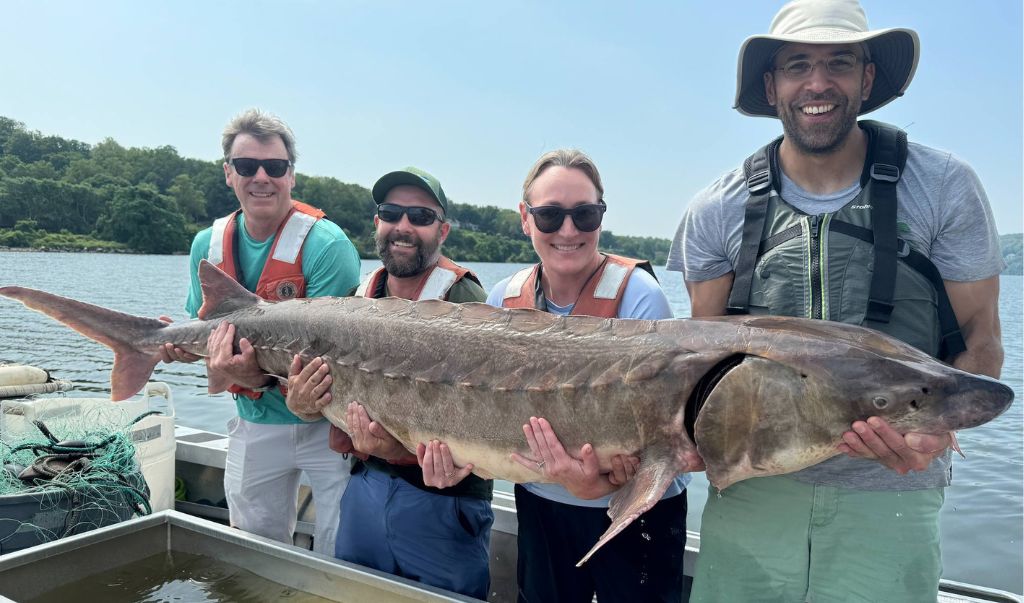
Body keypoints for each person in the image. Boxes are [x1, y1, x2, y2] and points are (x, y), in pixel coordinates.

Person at [667, 1, 1004, 601]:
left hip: (893, 493)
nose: (817, 84)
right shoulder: (715, 208)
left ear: (867, 78)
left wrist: (937, 431)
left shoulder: (944, 186)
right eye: (798, 65)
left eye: (839, 63)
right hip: (752, 492)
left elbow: (982, 338)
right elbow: (701, 364)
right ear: (771, 86)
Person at [486, 149, 692, 603]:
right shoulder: (503, 297)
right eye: (549, 215)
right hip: (543, 506)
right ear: (525, 218)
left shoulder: (641, 299)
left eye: (584, 214)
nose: (568, 230)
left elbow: (663, 442)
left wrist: (601, 483)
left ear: (601, 216)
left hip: (640, 515)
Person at [285, 166, 494, 600]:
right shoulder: (358, 297)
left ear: (443, 230)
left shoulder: (465, 300)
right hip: (364, 486)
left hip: (442, 502)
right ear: (376, 222)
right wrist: (302, 402)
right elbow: (319, 393)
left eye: (420, 216)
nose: (404, 226)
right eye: (392, 212)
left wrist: (398, 451)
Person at [159, 108, 362, 556]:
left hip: (328, 426)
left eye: (275, 167)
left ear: (292, 174)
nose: (262, 178)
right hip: (254, 423)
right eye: (248, 166)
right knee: (253, 552)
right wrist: (179, 347)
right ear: (228, 173)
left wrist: (249, 375)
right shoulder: (205, 246)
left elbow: (336, 359)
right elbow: (209, 340)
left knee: (340, 550)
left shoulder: (328, 246)